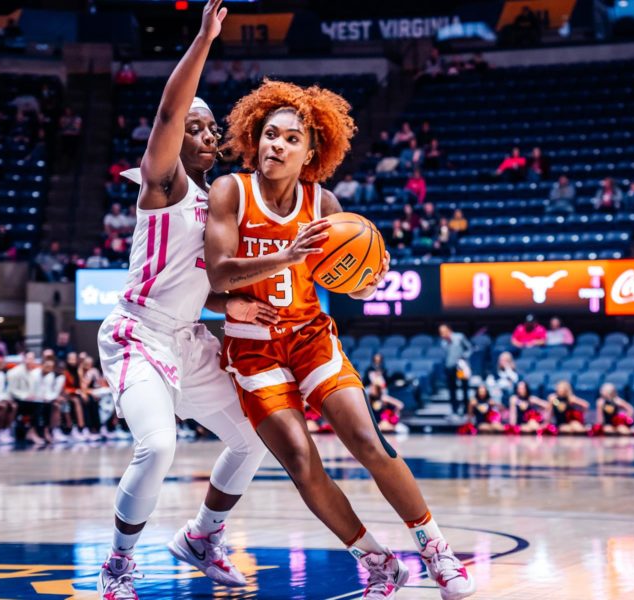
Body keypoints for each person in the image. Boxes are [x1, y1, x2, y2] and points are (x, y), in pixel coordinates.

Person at [204, 77, 476, 598]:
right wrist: (285, 254)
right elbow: (217, 276)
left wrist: (367, 278)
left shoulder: (322, 202)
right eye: (269, 134)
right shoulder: (229, 190)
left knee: (367, 441)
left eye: (289, 139)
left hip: (310, 337)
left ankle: (437, 551)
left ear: (311, 152)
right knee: (303, 463)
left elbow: (344, 281)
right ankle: (377, 563)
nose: (275, 145)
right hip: (253, 346)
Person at [93, 3, 276, 596]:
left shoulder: (219, 207)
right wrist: (204, 38)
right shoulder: (163, 184)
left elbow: (210, 285)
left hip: (188, 337)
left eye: (208, 129)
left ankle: (201, 535)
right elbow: (171, 109)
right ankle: (118, 562)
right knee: (159, 446)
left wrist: (235, 309)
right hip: (136, 334)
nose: (203, 134)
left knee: (254, 438)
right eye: (193, 128)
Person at [439, 323, 473, 417]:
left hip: (460, 367)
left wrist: (464, 357)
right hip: (450, 368)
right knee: (452, 389)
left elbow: (469, 348)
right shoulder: (443, 342)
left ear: (449, 330)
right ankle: (455, 410)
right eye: (441, 332)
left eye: (444, 331)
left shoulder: (459, 337)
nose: (442, 334)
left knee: (463, 387)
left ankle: (466, 409)